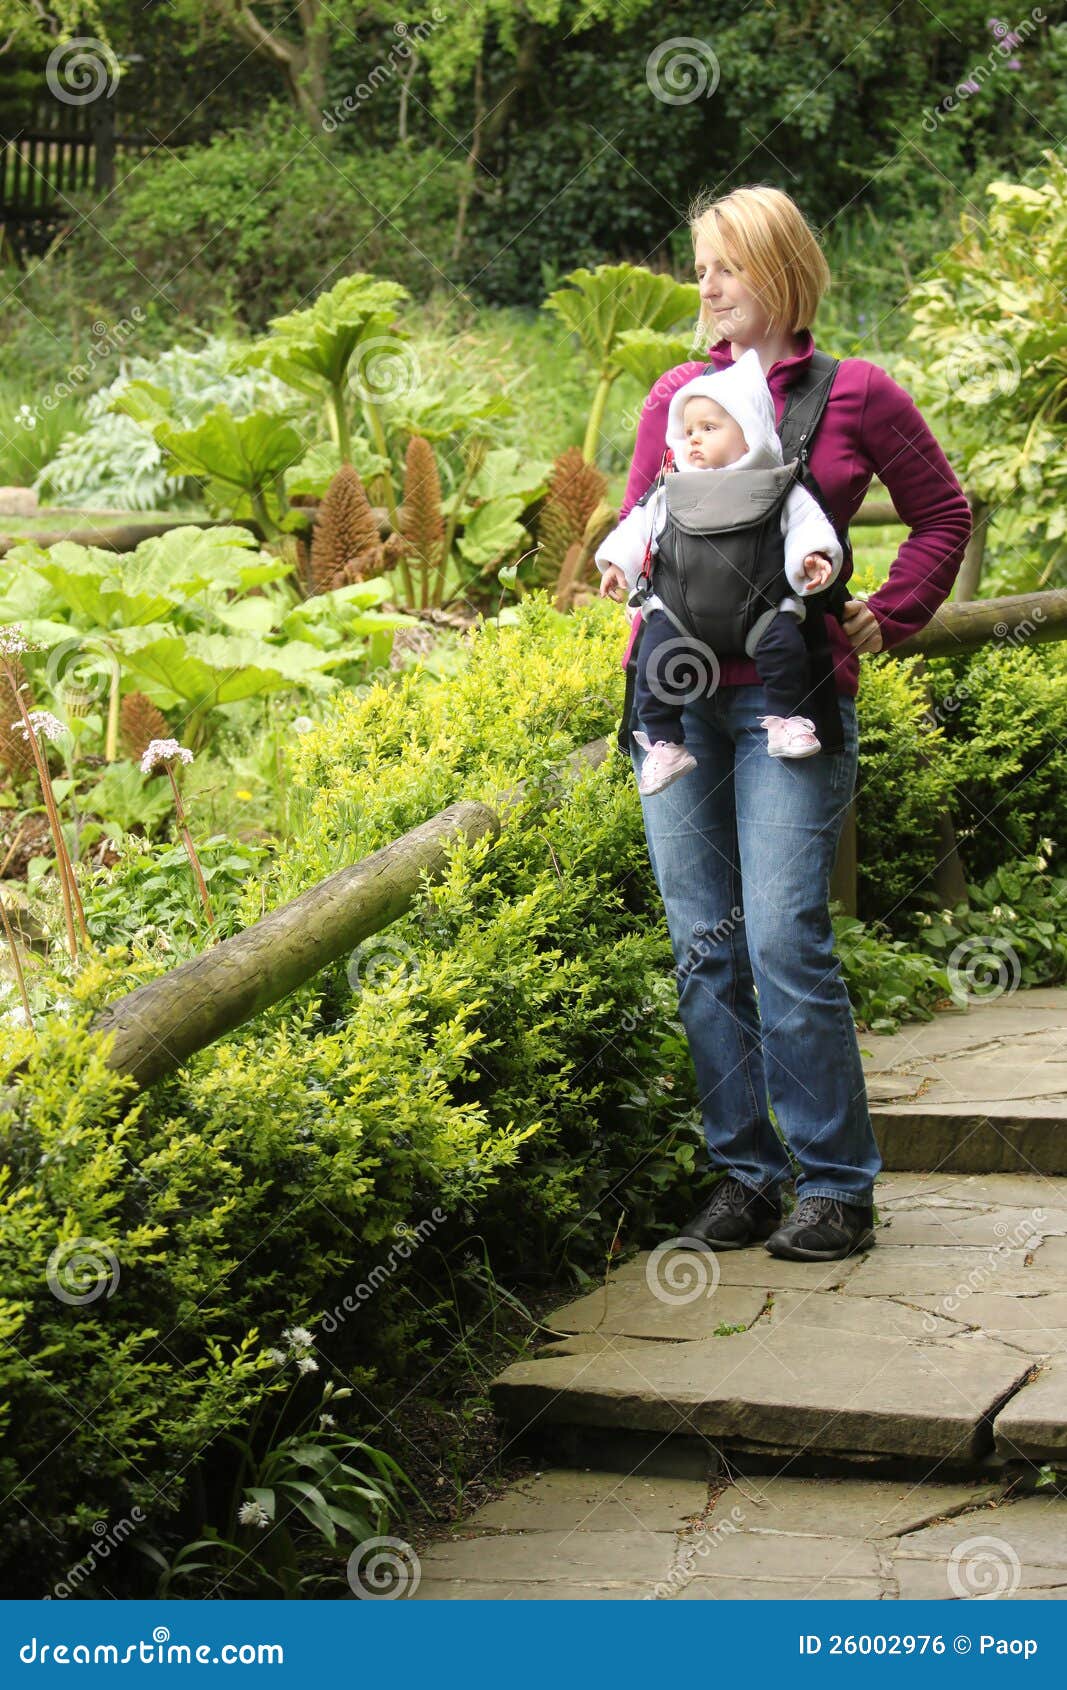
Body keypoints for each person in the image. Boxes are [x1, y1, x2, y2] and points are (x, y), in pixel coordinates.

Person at [614, 184, 971, 1262]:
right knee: (699, 947)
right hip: (676, 707)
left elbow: (941, 512)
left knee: (778, 934)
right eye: (700, 266)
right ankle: (743, 1176)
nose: (705, 285)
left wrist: (887, 614)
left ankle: (832, 1185)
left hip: (788, 706)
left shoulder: (854, 393)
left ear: (777, 269)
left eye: (724, 265)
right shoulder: (672, 394)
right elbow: (637, 527)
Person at [596, 347, 844, 795]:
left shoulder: (779, 484)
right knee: (655, 659)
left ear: (749, 434)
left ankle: (786, 722)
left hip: (760, 611)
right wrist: (617, 565)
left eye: (709, 428)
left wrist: (812, 558)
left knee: (786, 647)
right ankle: (665, 744)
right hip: (681, 616)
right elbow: (638, 530)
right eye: (688, 430)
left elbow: (809, 527)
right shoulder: (672, 490)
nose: (693, 440)